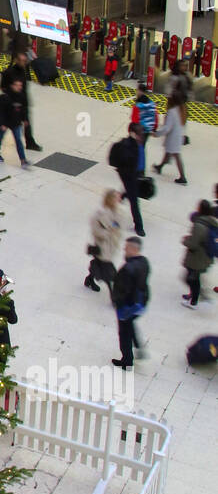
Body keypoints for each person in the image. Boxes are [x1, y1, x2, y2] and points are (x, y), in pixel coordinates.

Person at [111, 237, 149, 369]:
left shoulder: (128, 269)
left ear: (133, 249)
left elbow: (122, 290)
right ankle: (138, 346)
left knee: (124, 333)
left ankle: (127, 361)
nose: (124, 250)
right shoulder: (144, 262)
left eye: (126, 248)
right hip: (141, 302)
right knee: (130, 324)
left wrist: (117, 302)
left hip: (128, 306)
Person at [1, 50, 42, 151]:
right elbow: (3, 86)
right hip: (12, 101)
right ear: (17, 61)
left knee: (27, 122)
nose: (24, 63)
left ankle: (30, 142)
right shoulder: (9, 72)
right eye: (23, 61)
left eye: (25, 61)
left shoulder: (23, 71)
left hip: (23, 101)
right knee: (7, 121)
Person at [110, 122, 147, 237]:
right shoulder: (127, 146)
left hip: (135, 174)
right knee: (134, 201)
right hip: (129, 175)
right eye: (140, 133)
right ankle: (139, 226)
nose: (142, 135)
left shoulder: (139, 143)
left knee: (127, 193)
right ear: (133, 133)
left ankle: (120, 199)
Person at [181, 200, 218, 308]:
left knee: (191, 278)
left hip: (197, 258)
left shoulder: (199, 225)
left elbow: (193, 244)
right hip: (205, 256)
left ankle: (194, 301)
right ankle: (194, 295)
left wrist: (185, 240)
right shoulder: (212, 223)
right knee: (194, 277)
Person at [85, 189, 123, 293]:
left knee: (99, 265)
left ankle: (90, 279)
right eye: (116, 197)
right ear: (110, 199)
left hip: (111, 245)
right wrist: (109, 233)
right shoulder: (100, 214)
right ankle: (113, 294)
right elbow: (95, 229)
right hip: (103, 245)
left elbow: (119, 226)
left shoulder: (117, 211)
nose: (119, 198)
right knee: (108, 272)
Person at [0, 77, 32, 169]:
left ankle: (23, 160)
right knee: (0, 138)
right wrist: (2, 124)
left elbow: (23, 109)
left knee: (18, 141)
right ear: (12, 86)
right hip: (5, 123)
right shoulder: (6, 97)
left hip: (16, 122)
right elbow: (1, 112)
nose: (19, 87)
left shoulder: (21, 96)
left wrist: (25, 119)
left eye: (20, 85)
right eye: (17, 85)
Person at [152, 91, 187, 184]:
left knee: (175, 155)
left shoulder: (172, 112)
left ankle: (183, 177)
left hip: (173, 138)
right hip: (178, 137)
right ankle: (160, 167)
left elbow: (167, 128)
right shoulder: (181, 109)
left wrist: (157, 134)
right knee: (169, 153)